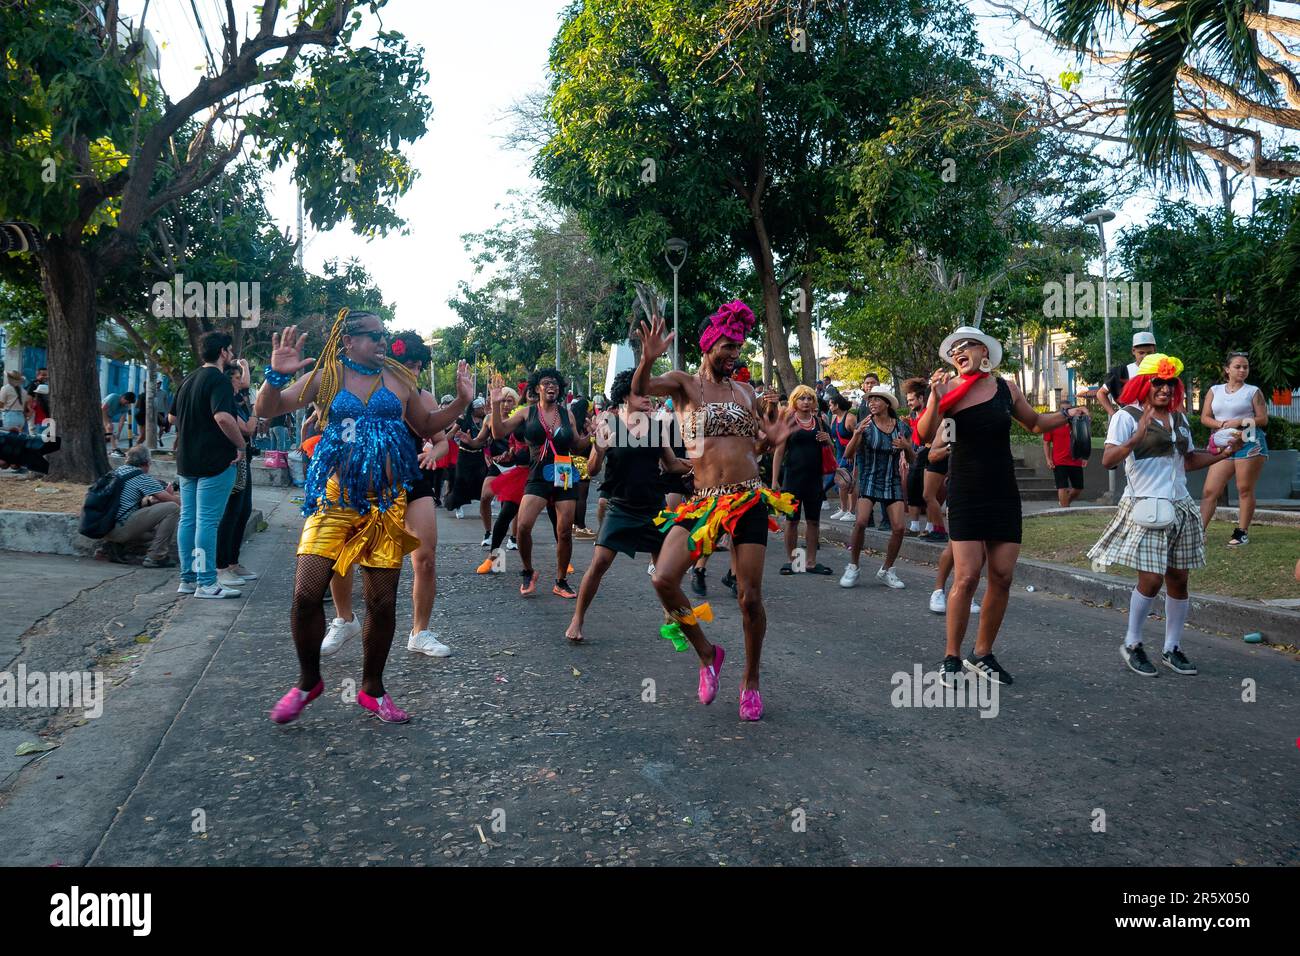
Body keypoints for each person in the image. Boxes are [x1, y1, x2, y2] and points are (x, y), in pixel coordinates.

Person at [256, 311, 472, 725]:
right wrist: (275, 375)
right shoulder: (328, 376)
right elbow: (270, 408)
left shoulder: (399, 379)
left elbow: (427, 425)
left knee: (381, 602)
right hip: (336, 498)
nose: (381, 342)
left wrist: (461, 402)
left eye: (383, 335)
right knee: (305, 593)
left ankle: (372, 689)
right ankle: (308, 682)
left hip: (387, 501)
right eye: (373, 336)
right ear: (348, 341)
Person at [636, 303, 796, 721]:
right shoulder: (684, 385)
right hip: (704, 501)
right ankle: (707, 654)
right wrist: (648, 357)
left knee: (749, 598)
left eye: (739, 348)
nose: (734, 355)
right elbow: (639, 391)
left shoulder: (745, 392)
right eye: (727, 346)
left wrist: (772, 440)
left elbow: (754, 446)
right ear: (708, 346)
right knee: (664, 578)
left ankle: (751, 681)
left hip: (747, 498)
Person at [916, 326, 1090, 687]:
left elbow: (1035, 423)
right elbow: (925, 433)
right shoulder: (946, 391)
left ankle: (982, 654)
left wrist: (1070, 414)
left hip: (1003, 491)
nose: (959, 352)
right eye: (955, 349)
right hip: (965, 490)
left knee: (1002, 576)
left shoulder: (1005, 388)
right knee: (966, 575)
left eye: (967, 346)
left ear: (985, 353)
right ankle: (951, 656)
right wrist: (934, 398)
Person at [1087, 354, 1242, 677]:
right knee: (1151, 579)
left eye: (1170, 384)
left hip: (1180, 504)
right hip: (1146, 505)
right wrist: (1137, 434)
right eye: (1158, 383)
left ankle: (1172, 647)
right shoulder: (1126, 417)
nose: (1165, 389)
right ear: (1144, 384)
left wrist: (1223, 454)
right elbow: (1109, 461)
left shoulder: (1180, 419)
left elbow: (1186, 461)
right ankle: (1133, 643)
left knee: (1179, 579)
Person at [321, 331, 454, 660]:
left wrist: (433, 453)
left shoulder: (423, 397)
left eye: (419, 366)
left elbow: (440, 439)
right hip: (364, 481)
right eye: (408, 364)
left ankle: (420, 632)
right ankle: (343, 618)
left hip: (414, 479)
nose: (414, 371)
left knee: (425, 557)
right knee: (344, 550)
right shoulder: (363, 387)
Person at [564, 370, 690, 643]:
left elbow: (671, 465)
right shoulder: (610, 424)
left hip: (654, 507)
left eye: (648, 392)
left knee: (664, 569)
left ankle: (672, 616)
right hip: (620, 507)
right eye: (640, 392)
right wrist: (599, 445)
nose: (647, 397)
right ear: (624, 396)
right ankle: (577, 619)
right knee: (599, 563)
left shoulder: (657, 428)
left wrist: (702, 467)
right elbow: (594, 468)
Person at [489, 367, 590, 599]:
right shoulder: (527, 412)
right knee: (523, 526)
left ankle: (561, 580)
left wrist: (593, 436)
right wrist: (495, 405)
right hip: (536, 475)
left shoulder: (567, 415)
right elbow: (498, 432)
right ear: (537, 388)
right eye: (546, 382)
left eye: (555, 382)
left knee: (564, 531)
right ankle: (528, 571)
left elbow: (577, 445)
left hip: (564, 473)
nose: (551, 386)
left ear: (560, 388)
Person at [171, 333, 245, 598]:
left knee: (188, 519)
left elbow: (171, 416)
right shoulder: (218, 380)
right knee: (207, 522)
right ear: (223, 352)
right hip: (215, 461)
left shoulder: (188, 379)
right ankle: (206, 582)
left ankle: (188, 579)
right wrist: (240, 445)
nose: (231, 354)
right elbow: (224, 418)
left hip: (187, 460)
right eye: (230, 349)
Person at [840, 386, 913, 588]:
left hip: (892, 480)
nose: (871, 403)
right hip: (870, 478)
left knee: (899, 528)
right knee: (861, 522)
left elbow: (913, 458)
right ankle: (853, 566)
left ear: (887, 403)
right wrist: (856, 435)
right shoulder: (866, 426)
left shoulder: (901, 427)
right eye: (869, 400)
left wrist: (906, 447)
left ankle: (887, 570)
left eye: (876, 399)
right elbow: (847, 455)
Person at [1199, 351, 1269, 546]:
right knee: (1210, 490)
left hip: (1249, 439)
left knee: (1244, 488)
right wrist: (1222, 426)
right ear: (1227, 369)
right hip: (1223, 441)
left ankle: (1241, 532)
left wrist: (1240, 421)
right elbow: (1204, 417)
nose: (1242, 370)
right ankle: (1199, 532)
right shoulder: (1215, 390)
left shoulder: (1253, 391)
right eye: (1237, 366)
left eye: (1245, 367)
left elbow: (1262, 419)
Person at [772, 384, 835, 575]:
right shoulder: (789, 422)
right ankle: (793, 561)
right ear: (795, 401)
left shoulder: (820, 421)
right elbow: (779, 452)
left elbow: (831, 452)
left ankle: (810, 562)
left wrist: (828, 440)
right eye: (802, 398)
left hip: (814, 479)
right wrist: (775, 480)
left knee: (813, 521)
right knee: (792, 521)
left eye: (809, 398)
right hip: (793, 478)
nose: (806, 402)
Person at [95, 444, 181, 567]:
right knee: (172, 508)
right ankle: (156, 557)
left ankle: (109, 548)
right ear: (146, 463)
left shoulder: (116, 472)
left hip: (104, 528)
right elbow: (173, 501)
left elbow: (131, 503)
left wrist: (152, 501)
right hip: (120, 530)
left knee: (150, 531)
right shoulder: (141, 477)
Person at [216, 361, 261, 589]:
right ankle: (222, 565)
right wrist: (254, 412)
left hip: (245, 460)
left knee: (243, 511)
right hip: (233, 460)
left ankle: (233, 562)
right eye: (235, 378)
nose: (240, 382)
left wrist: (244, 367)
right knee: (231, 513)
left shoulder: (238, 398)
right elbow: (248, 428)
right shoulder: (227, 400)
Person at [1097, 331, 1157, 416]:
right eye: (1141, 353)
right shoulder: (1122, 372)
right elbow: (1101, 393)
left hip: (1157, 421)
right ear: (1133, 351)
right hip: (1130, 421)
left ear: (1155, 350)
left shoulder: (1162, 371)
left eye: (1149, 353)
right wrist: (1113, 414)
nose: (1145, 356)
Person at [827, 393, 857, 522]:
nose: (829, 406)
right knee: (840, 481)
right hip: (839, 452)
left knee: (850, 482)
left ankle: (852, 511)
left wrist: (852, 453)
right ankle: (844, 509)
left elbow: (858, 437)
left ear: (837, 405)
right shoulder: (834, 417)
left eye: (831, 404)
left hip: (850, 454)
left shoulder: (850, 418)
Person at [1043, 418, 1086, 507]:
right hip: (1059, 461)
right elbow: (1046, 442)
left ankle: (1064, 504)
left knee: (1078, 488)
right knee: (1062, 486)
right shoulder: (1052, 425)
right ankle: (1064, 508)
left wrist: (1085, 456)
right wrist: (1048, 459)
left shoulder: (1078, 425)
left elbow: (1084, 441)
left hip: (1076, 460)